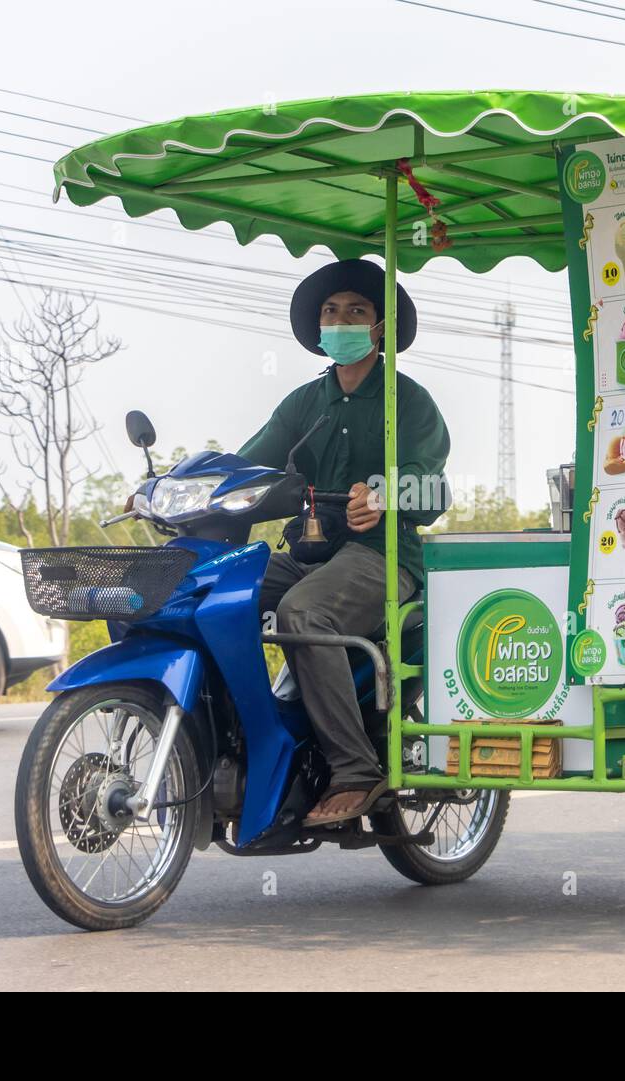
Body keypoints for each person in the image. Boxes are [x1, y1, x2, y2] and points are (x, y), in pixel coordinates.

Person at [238, 259, 450, 827]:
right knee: (216, 588)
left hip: (383, 558)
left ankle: (354, 769)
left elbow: (434, 487)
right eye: (331, 312)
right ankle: (248, 736)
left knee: (301, 612)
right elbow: (247, 466)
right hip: (312, 556)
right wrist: (172, 487)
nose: (341, 320)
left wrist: (384, 493)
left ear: (380, 327)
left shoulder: (409, 401)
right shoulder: (304, 404)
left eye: (356, 311)